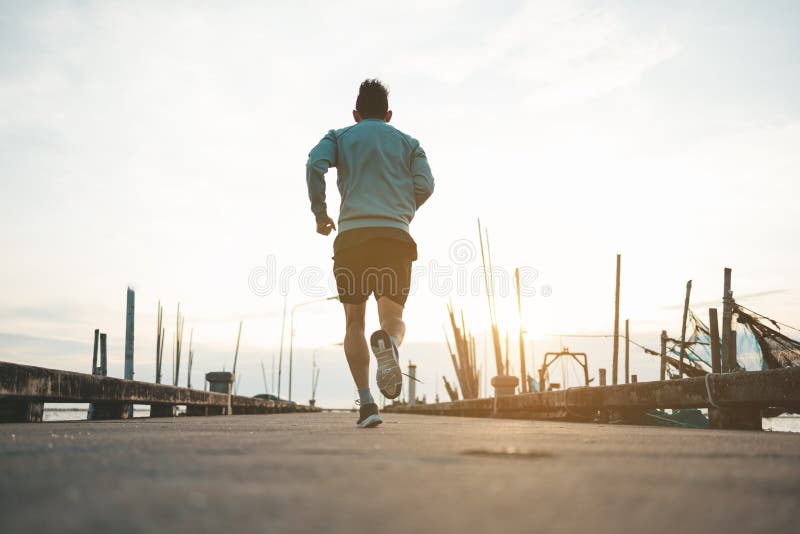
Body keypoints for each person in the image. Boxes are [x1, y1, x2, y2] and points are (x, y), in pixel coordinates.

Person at [305, 79, 435, 428]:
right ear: (389, 115)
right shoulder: (409, 144)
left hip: (352, 240)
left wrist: (321, 215)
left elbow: (314, 165)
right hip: (394, 238)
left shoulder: (339, 137)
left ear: (355, 113)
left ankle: (366, 405)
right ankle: (390, 344)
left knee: (354, 323)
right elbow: (426, 185)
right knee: (392, 318)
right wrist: (402, 210)